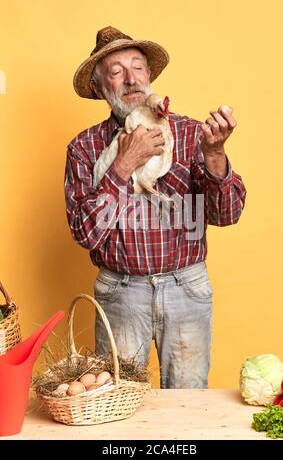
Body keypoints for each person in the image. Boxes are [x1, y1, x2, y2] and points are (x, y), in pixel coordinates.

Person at [64, 26, 247, 388]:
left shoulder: (194, 134)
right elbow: (85, 233)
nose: (131, 79)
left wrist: (214, 155)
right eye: (116, 72)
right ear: (100, 88)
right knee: (117, 405)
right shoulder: (84, 148)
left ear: (150, 77)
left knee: (187, 403)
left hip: (186, 288)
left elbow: (228, 215)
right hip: (120, 292)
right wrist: (122, 165)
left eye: (138, 68)